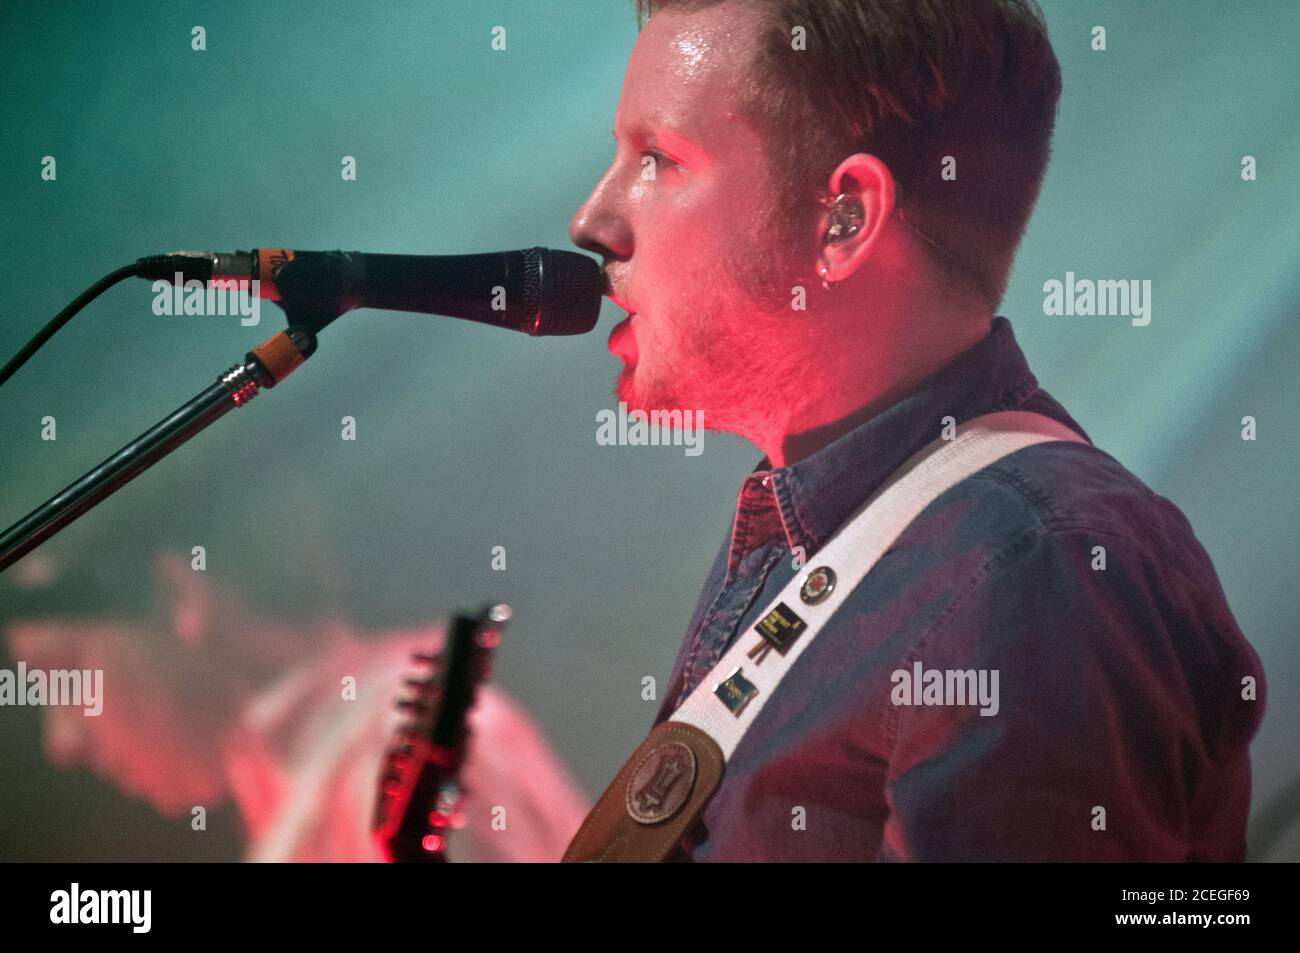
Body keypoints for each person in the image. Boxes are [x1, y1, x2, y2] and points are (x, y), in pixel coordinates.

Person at [567, 0, 1266, 860]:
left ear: (846, 218)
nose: (591, 220)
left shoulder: (1037, 565)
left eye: (659, 159)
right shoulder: (845, 522)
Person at [4, 553, 589, 862]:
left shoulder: (388, 752)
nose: (61, 743)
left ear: (180, 595)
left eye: (64, 672)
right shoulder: (278, 792)